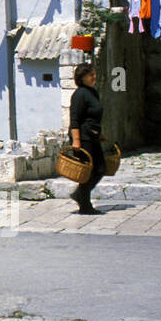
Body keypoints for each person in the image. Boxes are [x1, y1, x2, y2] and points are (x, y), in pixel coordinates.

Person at [68, 62, 106, 215]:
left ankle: (80, 195)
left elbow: (93, 117)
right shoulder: (79, 94)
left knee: (100, 168)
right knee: (88, 172)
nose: (94, 77)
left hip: (93, 137)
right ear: (82, 78)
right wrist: (76, 140)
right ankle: (85, 204)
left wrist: (99, 134)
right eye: (91, 75)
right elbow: (75, 119)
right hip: (83, 138)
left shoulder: (93, 92)